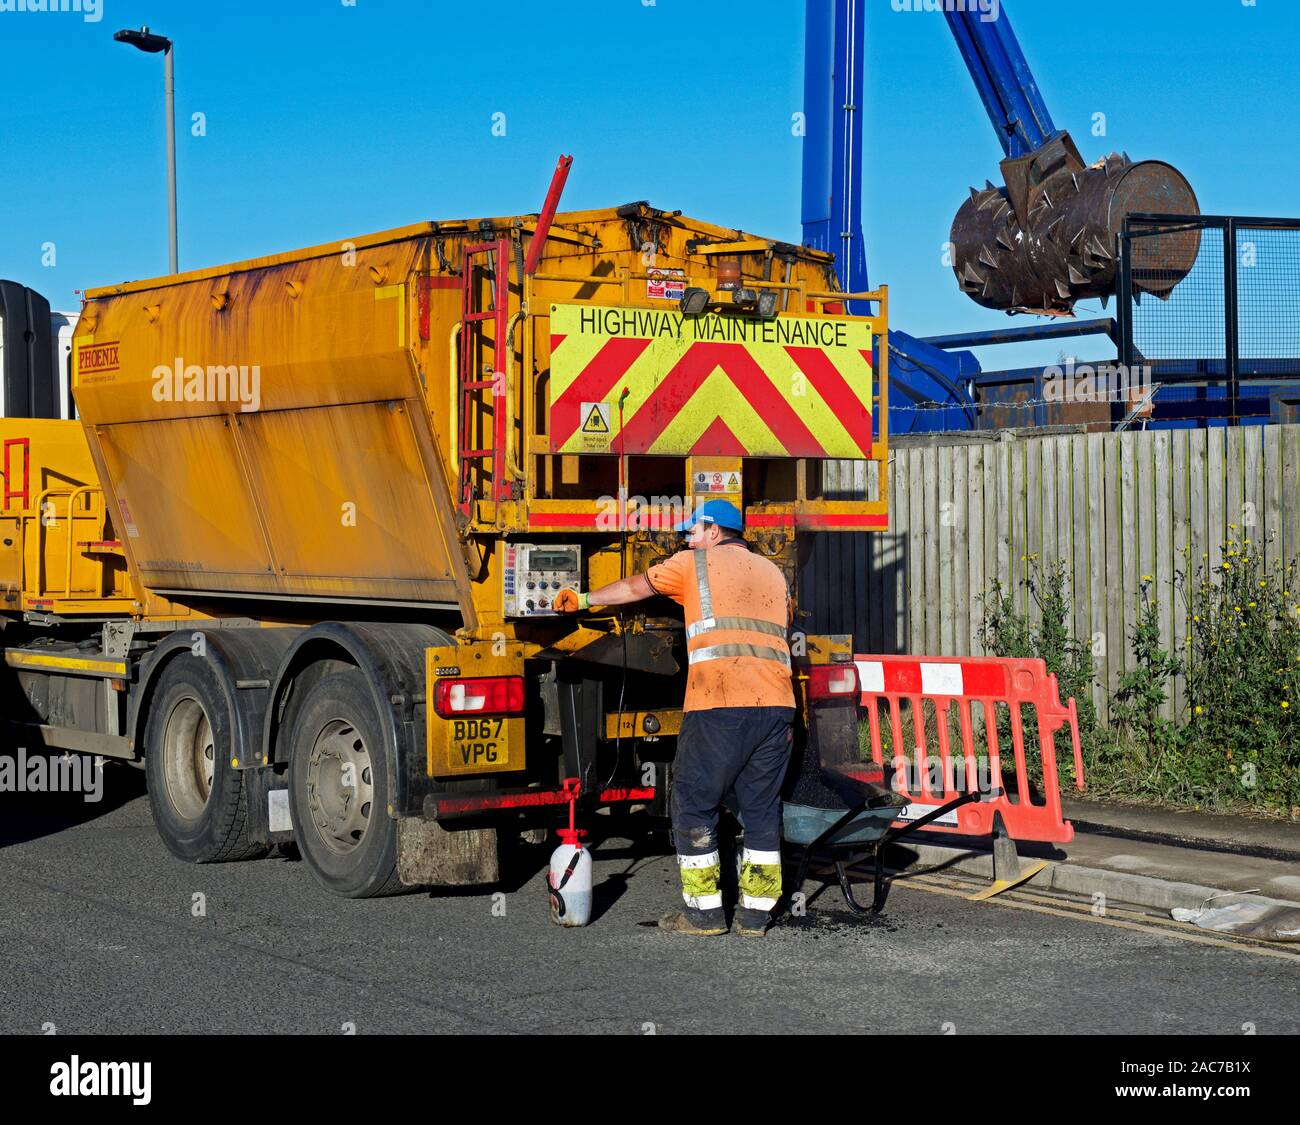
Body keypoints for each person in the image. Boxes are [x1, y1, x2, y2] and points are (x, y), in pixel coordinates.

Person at [553, 499, 795, 937]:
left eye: (693, 531)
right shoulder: (773, 573)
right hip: (777, 705)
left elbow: (631, 589)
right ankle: (755, 916)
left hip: (719, 702)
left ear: (716, 532)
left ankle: (703, 914)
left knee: (693, 803)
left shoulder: (692, 565)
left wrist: (583, 600)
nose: (686, 538)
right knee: (760, 810)